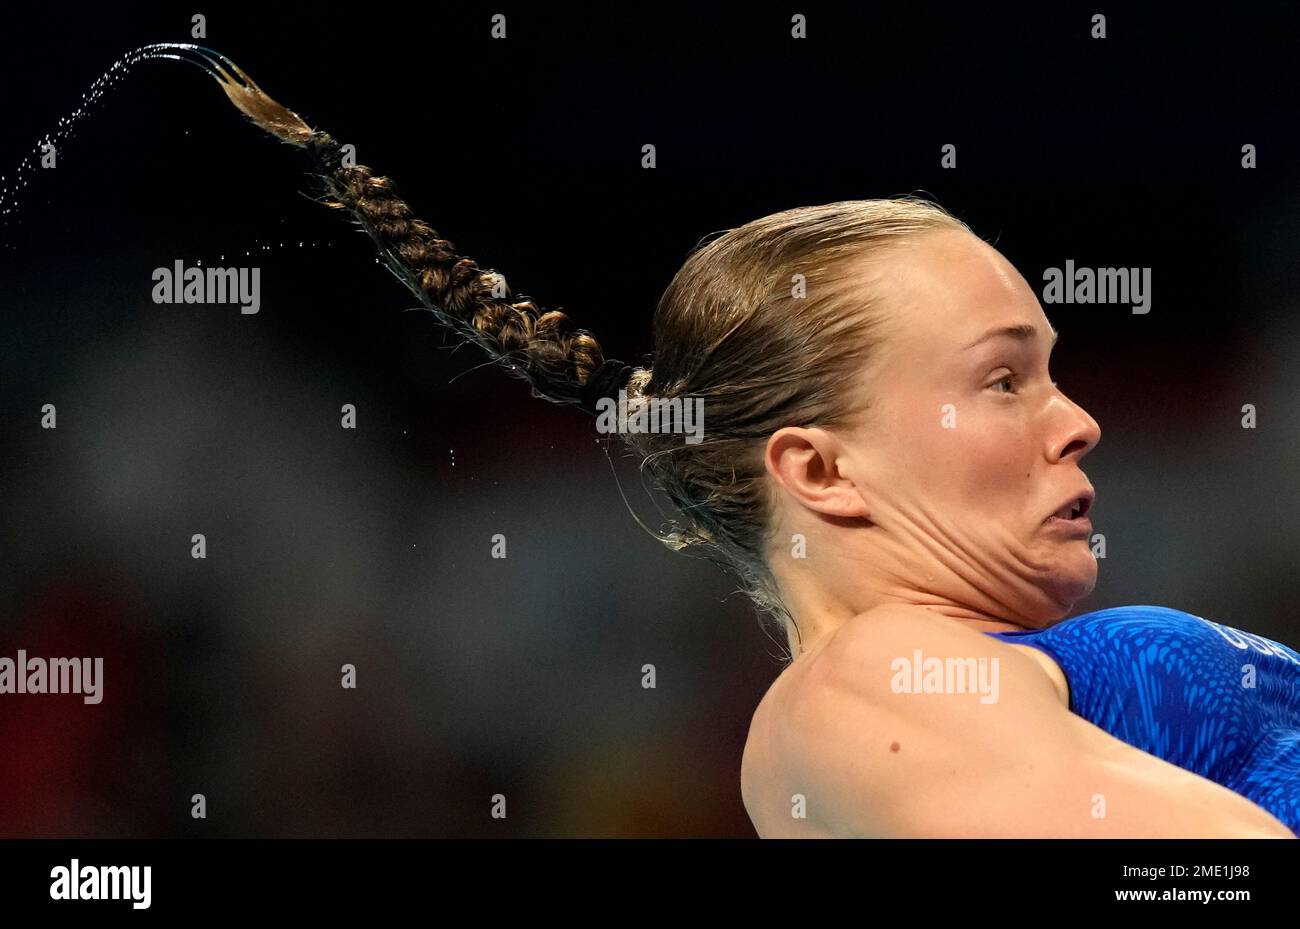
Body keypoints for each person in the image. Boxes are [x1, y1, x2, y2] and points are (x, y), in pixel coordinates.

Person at [191, 45, 1299, 839]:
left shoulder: (947, 680)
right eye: (1002, 379)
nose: (1078, 418)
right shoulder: (861, 689)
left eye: (1050, 371)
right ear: (819, 468)